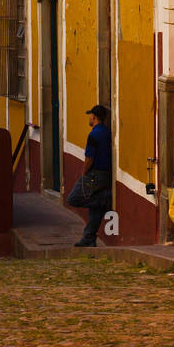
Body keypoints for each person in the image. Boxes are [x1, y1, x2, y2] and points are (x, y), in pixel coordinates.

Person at [68, 104, 113, 248]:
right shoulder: (107, 132)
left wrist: (84, 172)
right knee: (95, 209)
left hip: (94, 174)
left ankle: (105, 199)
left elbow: (89, 157)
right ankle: (89, 237)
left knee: (73, 198)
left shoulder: (93, 134)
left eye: (90, 115)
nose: (89, 117)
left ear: (94, 116)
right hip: (106, 174)